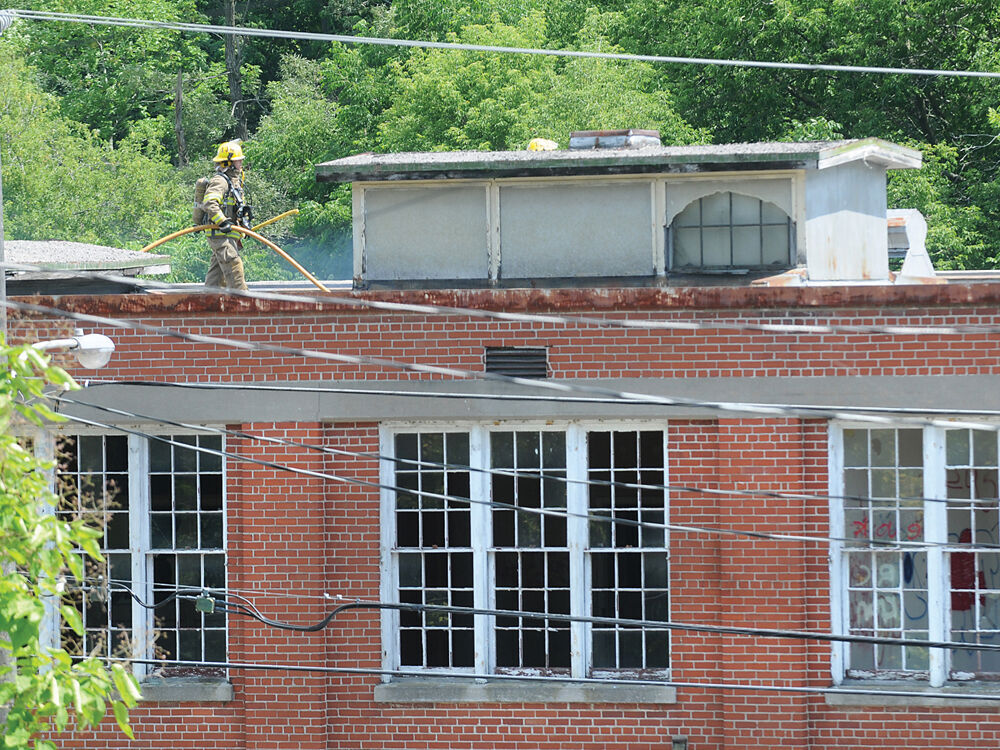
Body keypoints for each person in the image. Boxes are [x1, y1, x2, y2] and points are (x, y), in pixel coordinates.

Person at [203, 140, 250, 290]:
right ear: (228, 162)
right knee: (233, 263)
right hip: (219, 235)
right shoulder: (220, 181)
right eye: (238, 159)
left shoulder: (233, 181)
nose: (241, 161)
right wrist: (223, 222)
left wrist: (244, 225)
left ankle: (208, 304)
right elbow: (210, 203)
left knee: (216, 278)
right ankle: (245, 303)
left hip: (228, 236)